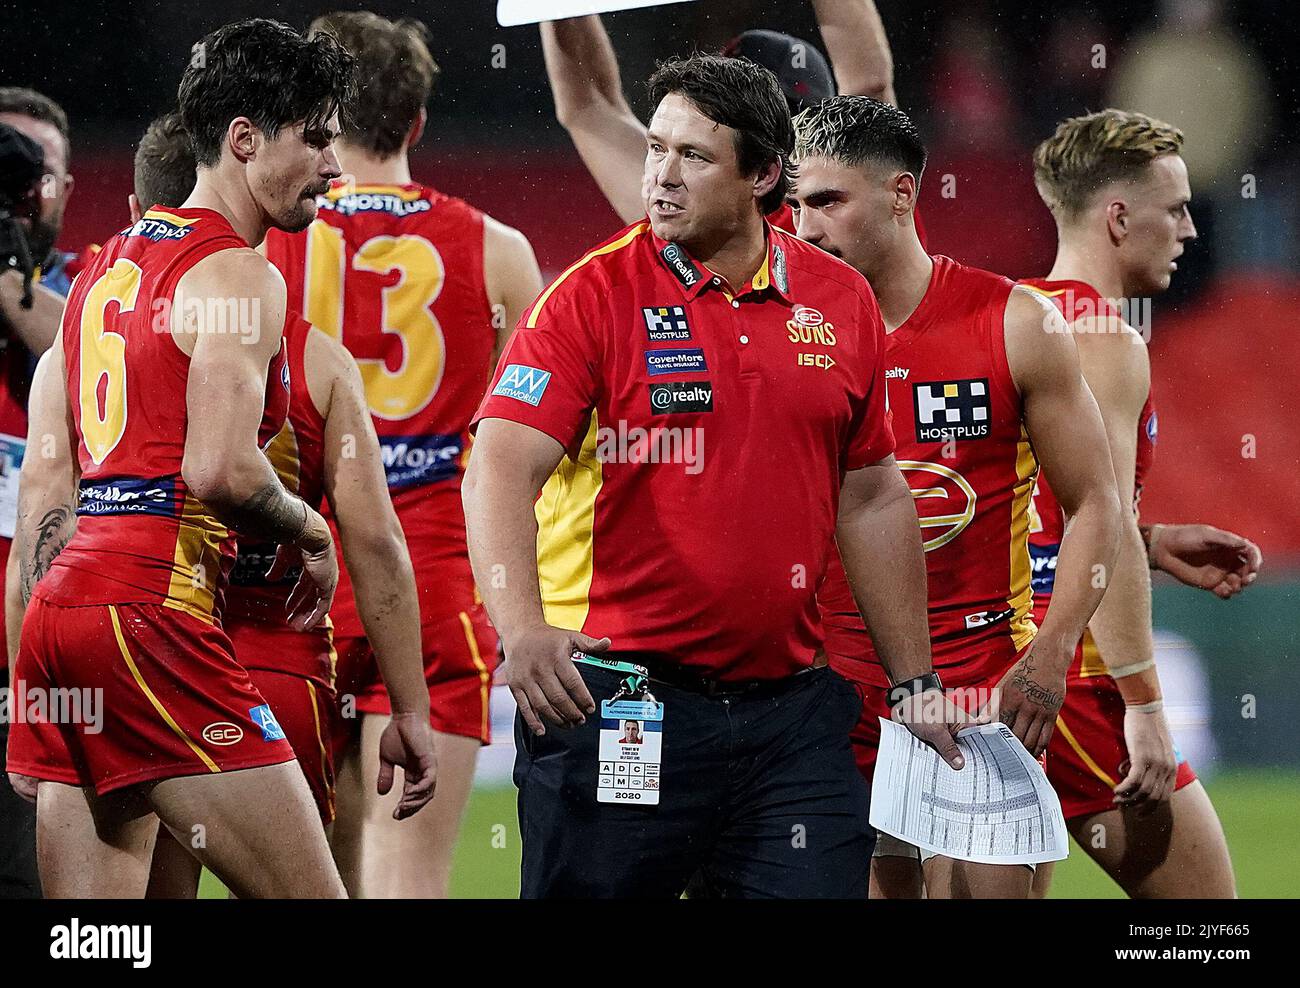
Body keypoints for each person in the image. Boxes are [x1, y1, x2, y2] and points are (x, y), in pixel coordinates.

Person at [464, 53, 963, 900]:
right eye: (656, 148)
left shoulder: (840, 301)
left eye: (693, 156)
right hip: (620, 705)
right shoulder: (590, 296)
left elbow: (872, 491)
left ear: (765, 173)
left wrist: (913, 679)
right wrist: (520, 629)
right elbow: (499, 470)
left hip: (790, 719)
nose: (659, 175)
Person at [3, 17, 370, 899]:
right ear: (243, 140)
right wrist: (314, 532)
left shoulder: (94, 276)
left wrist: (28, 682)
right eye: (315, 137)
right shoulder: (242, 273)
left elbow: (47, 487)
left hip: (64, 620)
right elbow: (221, 470)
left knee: (99, 944)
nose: (332, 165)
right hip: (152, 614)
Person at [791, 95, 1123, 898]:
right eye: (794, 204)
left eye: (829, 201)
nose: (805, 228)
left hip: (982, 688)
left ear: (903, 196)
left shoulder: (1013, 324)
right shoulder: (780, 333)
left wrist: (1050, 658)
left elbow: (1097, 505)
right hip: (824, 696)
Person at [112, 113, 437, 898]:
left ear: (135, 211)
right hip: (272, 657)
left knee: (137, 916)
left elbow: (57, 515)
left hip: (141, 641)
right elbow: (378, 545)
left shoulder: (98, 328)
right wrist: (412, 707)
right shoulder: (316, 357)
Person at [263, 10, 544, 899]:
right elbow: (533, 449)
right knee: (405, 886)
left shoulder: (265, 241)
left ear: (322, 115)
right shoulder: (500, 253)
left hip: (289, 575)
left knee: (302, 881)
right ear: (418, 121)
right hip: (431, 589)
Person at [1019, 109, 1251, 898]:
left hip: (996, 665)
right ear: (1119, 217)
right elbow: (1099, 524)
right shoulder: (1104, 339)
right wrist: (1146, 705)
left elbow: (1015, 513)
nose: (1189, 228)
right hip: (1080, 675)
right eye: (1175, 208)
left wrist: (1150, 541)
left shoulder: (1013, 315)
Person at [539, 1, 927, 239]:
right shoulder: (689, 196)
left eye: (792, 120)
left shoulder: (856, 197)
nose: (772, 137)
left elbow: (869, 87)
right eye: (748, 118)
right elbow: (590, 107)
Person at [0, 87, 83, 900]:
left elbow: (98, 361)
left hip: (45, 665)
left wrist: (5, 276)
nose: (21, 192)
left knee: (40, 893)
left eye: (36, 173)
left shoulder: (95, 291)